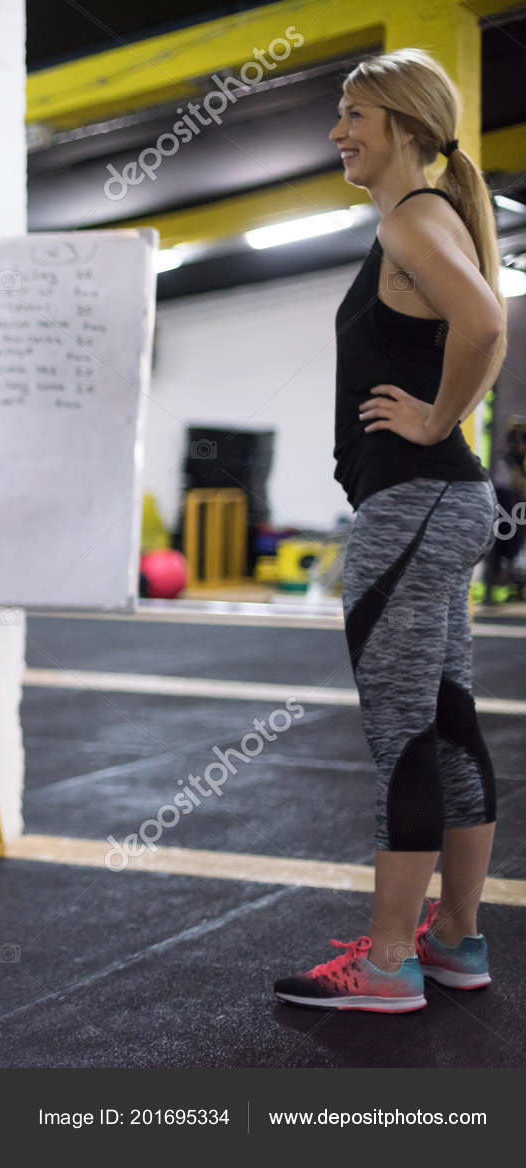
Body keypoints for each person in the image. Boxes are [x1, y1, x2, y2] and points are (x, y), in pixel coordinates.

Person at [274, 48, 506, 1012]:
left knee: (406, 738)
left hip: (412, 503)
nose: (339, 131)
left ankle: (384, 967)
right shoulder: (425, 218)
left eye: (354, 113)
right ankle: (454, 940)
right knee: (447, 727)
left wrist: (437, 417)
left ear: (405, 125)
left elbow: (484, 323)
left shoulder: (414, 218)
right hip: (441, 506)